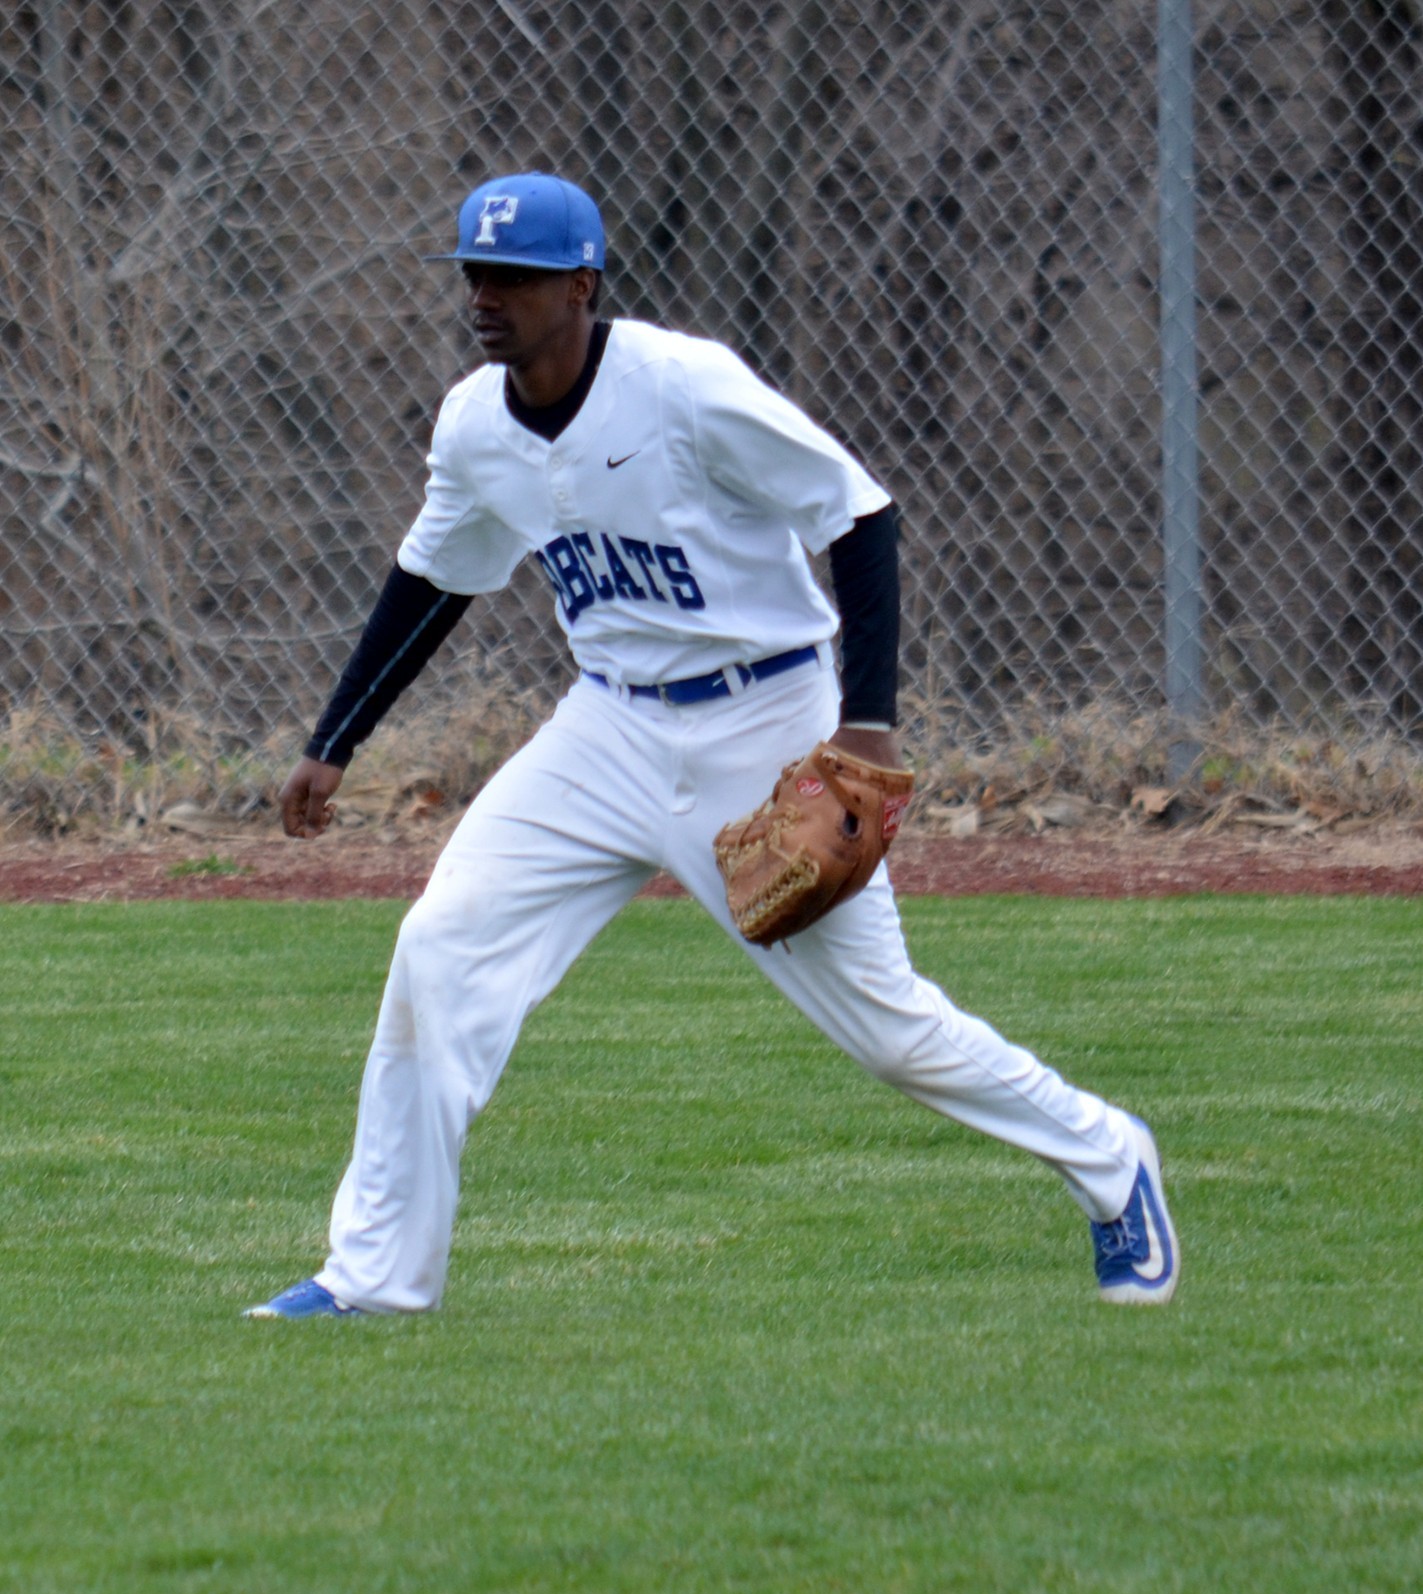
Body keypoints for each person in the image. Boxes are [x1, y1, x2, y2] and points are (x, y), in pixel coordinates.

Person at [244, 172, 1179, 1319]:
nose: (485, 296)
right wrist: (336, 739)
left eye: (514, 277)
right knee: (440, 950)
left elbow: (859, 511)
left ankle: (1109, 1156)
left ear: (581, 285)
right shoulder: (475, 424)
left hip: (764, 720)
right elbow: (434, 579)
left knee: (886, 1029)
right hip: (605, 727)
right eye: (474, 273)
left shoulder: (681, 386)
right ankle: (373, 1278)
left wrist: (866, 724)